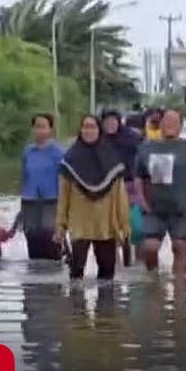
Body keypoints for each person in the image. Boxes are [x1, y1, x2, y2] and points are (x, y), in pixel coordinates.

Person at [55, 115, 131, 281]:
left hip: (106, 225)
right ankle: (76, 307)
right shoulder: (70, 161)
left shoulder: (112, 160)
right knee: (76, 275)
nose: (89, 131)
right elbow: (63, 196)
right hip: (80, 225)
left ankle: (106, 308)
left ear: (99, 130)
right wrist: (60, 226)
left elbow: (120, 197)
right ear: (80, 131)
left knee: (107, 276)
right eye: (85, 127)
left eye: (93, 127)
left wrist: (124, 226)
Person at [132, 109, 186, 278]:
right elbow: (138, 178)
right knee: (149, 248)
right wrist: (142, 202)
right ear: (161, 124)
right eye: (167, 121)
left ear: (180, 126)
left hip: (182, 209)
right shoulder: (147, 148)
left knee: (180, 246)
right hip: (153, 209)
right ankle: (154, 279)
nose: (170, 125)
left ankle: (180, 288)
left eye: (175, 122)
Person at [19, 113, 66, 261]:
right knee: (32, 236)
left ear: (50, 129)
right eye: (36, 126)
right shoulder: (28, 152)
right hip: (29, 201)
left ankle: (54, 277)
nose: (39, 130)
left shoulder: (58, 152)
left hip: (51, 201)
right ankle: (34, 278)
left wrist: (63, 206)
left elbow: (63, 179)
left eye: (43, 127)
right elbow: (24, 177)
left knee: (50, 236)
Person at [102, 109, 145, 266]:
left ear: (119, 122)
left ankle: (141, 265)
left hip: (132, 187)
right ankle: (117, 269)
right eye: (106, 122)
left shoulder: (133, 139)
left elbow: (144, 161)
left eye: (113, 121)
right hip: (108, 189)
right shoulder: (99, 141)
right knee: (112, 230)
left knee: (138, 228)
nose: (110, 125)